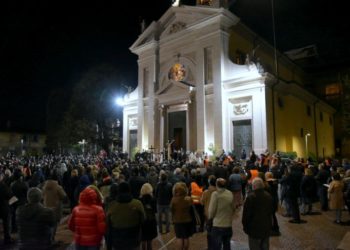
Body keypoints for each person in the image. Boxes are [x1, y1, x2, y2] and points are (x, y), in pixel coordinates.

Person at [106, 181, 145, 250]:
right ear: (129, 190)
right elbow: (143, 219)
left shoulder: (111, 205)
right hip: (134, 239)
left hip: (117, 241)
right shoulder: (137, 204)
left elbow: (108, 224)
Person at [242, 177, 273, 250]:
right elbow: (271, 211)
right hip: (266, 227)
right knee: (265, 246)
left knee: (255, 247)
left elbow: (246, 215)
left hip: (254, 229)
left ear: (254, 186)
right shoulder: (268, 196)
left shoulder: (250, 197)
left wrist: (245, 227)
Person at [208, 178, 235, 250]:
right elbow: (233, 207)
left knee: (216, 246)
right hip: (228, 224)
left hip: (218, 224)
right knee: (227, 245)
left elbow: (211, 211)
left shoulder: (215, 194)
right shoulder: (230, 193)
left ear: (217, 185)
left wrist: (210, 218)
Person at [42, 171, 67, 244]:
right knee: (54, 224)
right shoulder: (58, 187)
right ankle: (52, 239)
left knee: (48, 224)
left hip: (46, 207)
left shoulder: (44, 186)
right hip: (56, 208)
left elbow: (42, 195)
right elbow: (64, 196)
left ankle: (48, 239)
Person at [171, 182, 193, 250]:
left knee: (179, 237)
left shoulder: (174, 200)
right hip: (187, 220)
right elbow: (191, 209)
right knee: (186, 237)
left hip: (177, 220)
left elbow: (171, 210)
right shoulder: (189, 199)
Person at [139, 183, 157, 250]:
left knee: (143, 240)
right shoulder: (153, 199)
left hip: (142, 221)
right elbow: (155, 210)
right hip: (151, 221)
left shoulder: (139, 200)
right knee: (149, 241)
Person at [201, 175, 216, 250]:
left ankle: (210, 247)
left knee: (209, 232)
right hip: (217, 214)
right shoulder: (218, 192)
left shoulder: (206, 192)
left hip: (208, 214)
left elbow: (202, 202)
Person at [0, 173, 13, 245]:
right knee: (6, 224)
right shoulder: (3, 186)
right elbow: (9, 195)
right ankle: (7, 239)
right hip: (4, 207)